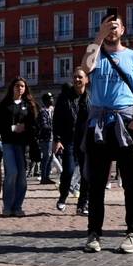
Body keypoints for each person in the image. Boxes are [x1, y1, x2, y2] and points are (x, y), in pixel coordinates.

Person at [79, 15, 133, 253]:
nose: (111, 29)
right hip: (99, 123)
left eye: (115, 25)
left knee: (131, 182)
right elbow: (85, 68)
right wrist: (97, 37)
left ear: (124, 29)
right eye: (107, 26)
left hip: (126, 122)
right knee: (96, 183)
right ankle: (94, 234)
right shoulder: (95, 52)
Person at [0, 77, 39, 217]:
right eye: (17, 86)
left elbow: (34, 125)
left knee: (22, 177)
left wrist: (25, 128)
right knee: (11, 172)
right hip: (7, 143)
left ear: (25, 89)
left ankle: (17, 206)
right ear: (12, 87)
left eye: (22, 86)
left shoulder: (29, 105)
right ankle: (7, 206)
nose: (20, 88)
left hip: (23, 144)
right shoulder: (5, 104)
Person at [53, 69, 88, 214]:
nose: (77, 79)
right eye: (75, 77)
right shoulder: (64, 97)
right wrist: (57, 139)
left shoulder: (91, 97)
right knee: (68, 170)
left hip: (86, 140)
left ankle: (82, 204)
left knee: (87, 173)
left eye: (80, 77)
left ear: (86, 80)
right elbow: (57, 119)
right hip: (69, 140)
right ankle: (63, 196)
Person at [37, 91, 56, 184]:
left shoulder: (53, 110)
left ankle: (47, 176)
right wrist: (54, 127)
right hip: (45, 138)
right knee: (46, 157)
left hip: (52, 137)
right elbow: (44, 125)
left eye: (52, 98)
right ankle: (44, 177)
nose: (52, 100)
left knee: (51, 157)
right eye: (50, 99)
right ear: (45, 101)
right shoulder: (42, 112)